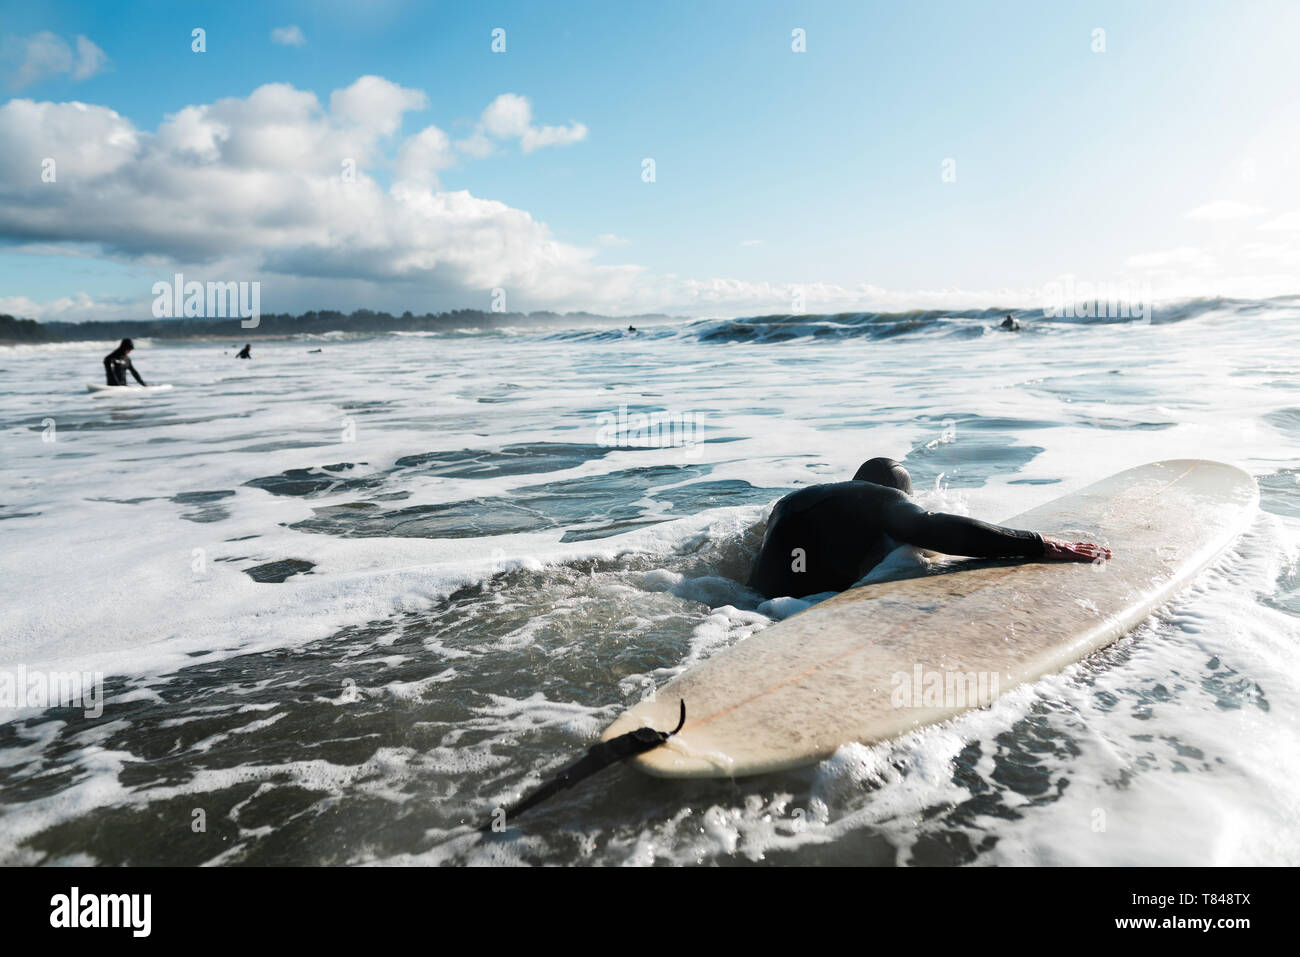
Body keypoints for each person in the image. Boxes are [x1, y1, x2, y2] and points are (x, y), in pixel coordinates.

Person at [747, 457, 1111, 599]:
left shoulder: (802, 498)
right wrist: (1037, 543)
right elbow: (935, 529)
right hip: (804, 602)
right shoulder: (883, 501)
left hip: (759, 595)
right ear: (901, 494)